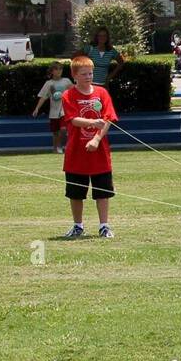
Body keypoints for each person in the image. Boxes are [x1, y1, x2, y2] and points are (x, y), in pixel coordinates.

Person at [60, 54, 117, 238]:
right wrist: (93, 122)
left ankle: (104, 226)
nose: (88, 77)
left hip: (99, 153)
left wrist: (97, 139)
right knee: (76, 193)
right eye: (84, 74)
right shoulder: (68, 95)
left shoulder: (102, 93)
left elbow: (108, 119)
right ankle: (78, 225)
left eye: (91, 73)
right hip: (77, 153)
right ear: (74, 75)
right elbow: (73, 119)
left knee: (102, 191)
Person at [32, 60, 73, 153]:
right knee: (55, 132)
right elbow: (43, 97)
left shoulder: (66, 81)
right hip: (54, 111)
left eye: (60, 69)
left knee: (63, 129)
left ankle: (63, 146)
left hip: (65, 110)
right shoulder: (49, 83)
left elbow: (74, 91)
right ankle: (56, 148)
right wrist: (37, 108)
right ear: (51, 71)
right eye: (56, 69)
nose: (59, 71)